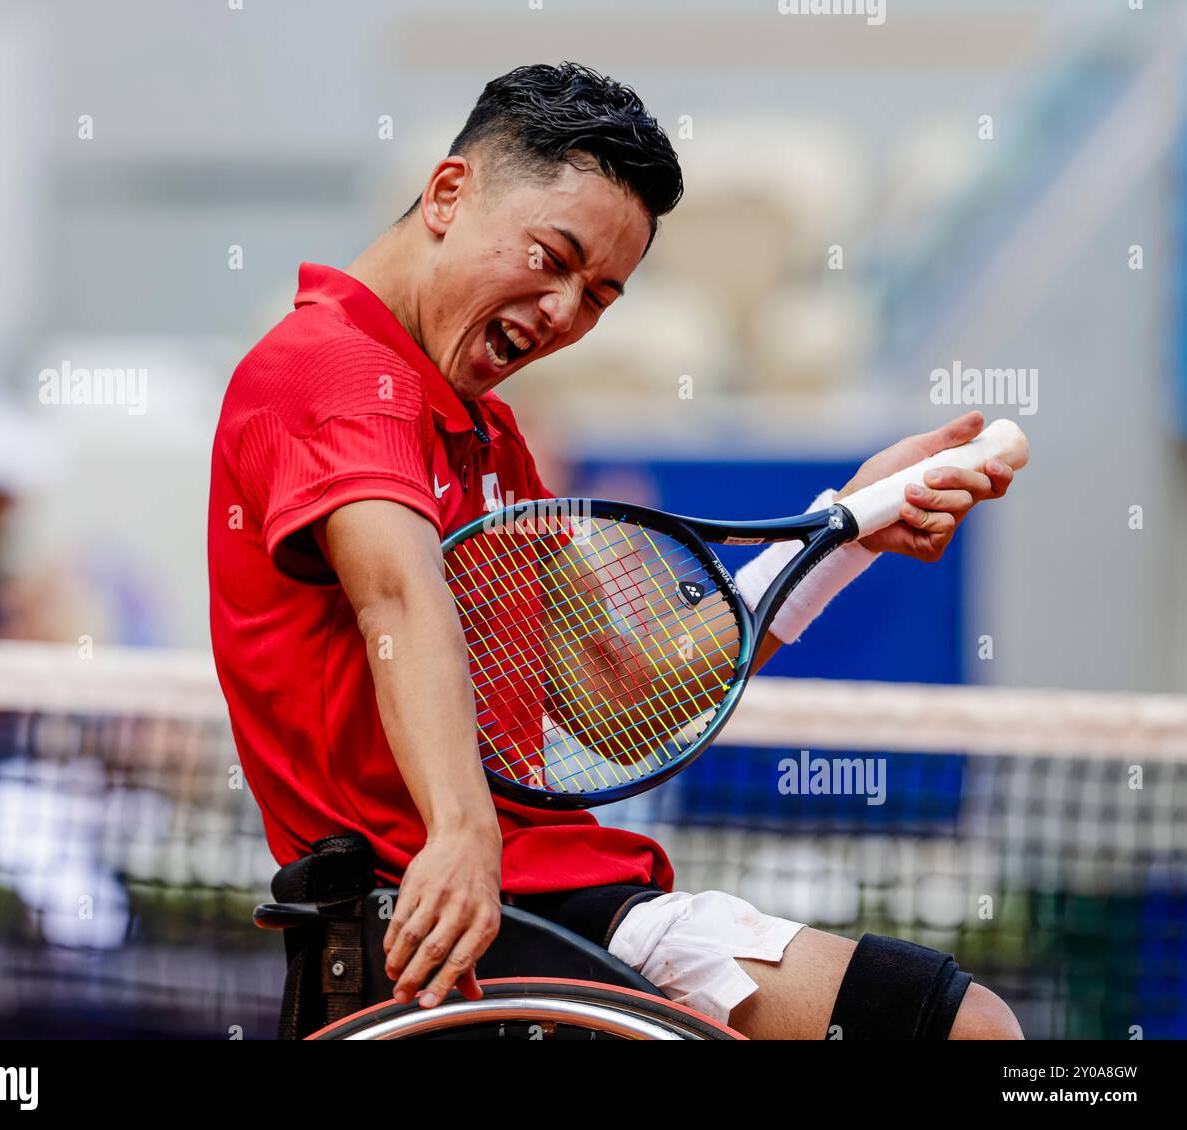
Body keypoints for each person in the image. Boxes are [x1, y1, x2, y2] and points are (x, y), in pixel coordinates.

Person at [208, 62, 1022, 1039]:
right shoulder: (329, 370)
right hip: (455, 920)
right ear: (447, 193)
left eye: (599, 292)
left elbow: (628, 701)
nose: (563, 312)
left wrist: (844, 527)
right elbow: (397, 595)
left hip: (559, 896)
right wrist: (462, 834)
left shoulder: (493, 435)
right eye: (551, 257)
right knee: (967, 1031)